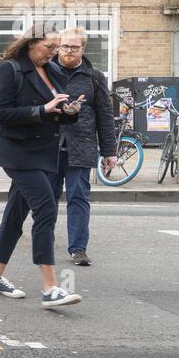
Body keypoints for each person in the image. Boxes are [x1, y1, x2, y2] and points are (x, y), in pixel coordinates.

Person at [0, 24, 85, 309]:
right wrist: (41, 109)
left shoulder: (52, 71)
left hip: (43, 152)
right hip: (17, 152)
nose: (54, 53)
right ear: (31, 43)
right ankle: (51, 287)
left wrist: (68, 111)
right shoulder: (10, 69)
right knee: (46, 209)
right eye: (49, 47)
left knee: (16, 213)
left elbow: (56, 110)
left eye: (57, 48)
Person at [49, 27, 117, 267]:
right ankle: (45, 243)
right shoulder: (46, 71)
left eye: (74, 47)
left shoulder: (94, 76)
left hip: (81, 145)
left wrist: (110, 151)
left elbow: (105, 115)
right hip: (49, 145)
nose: (69, 51)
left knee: (78, 197)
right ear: (58, 46)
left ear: (83, 49)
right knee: (47, 198)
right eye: (65, 46)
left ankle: (78, 248)